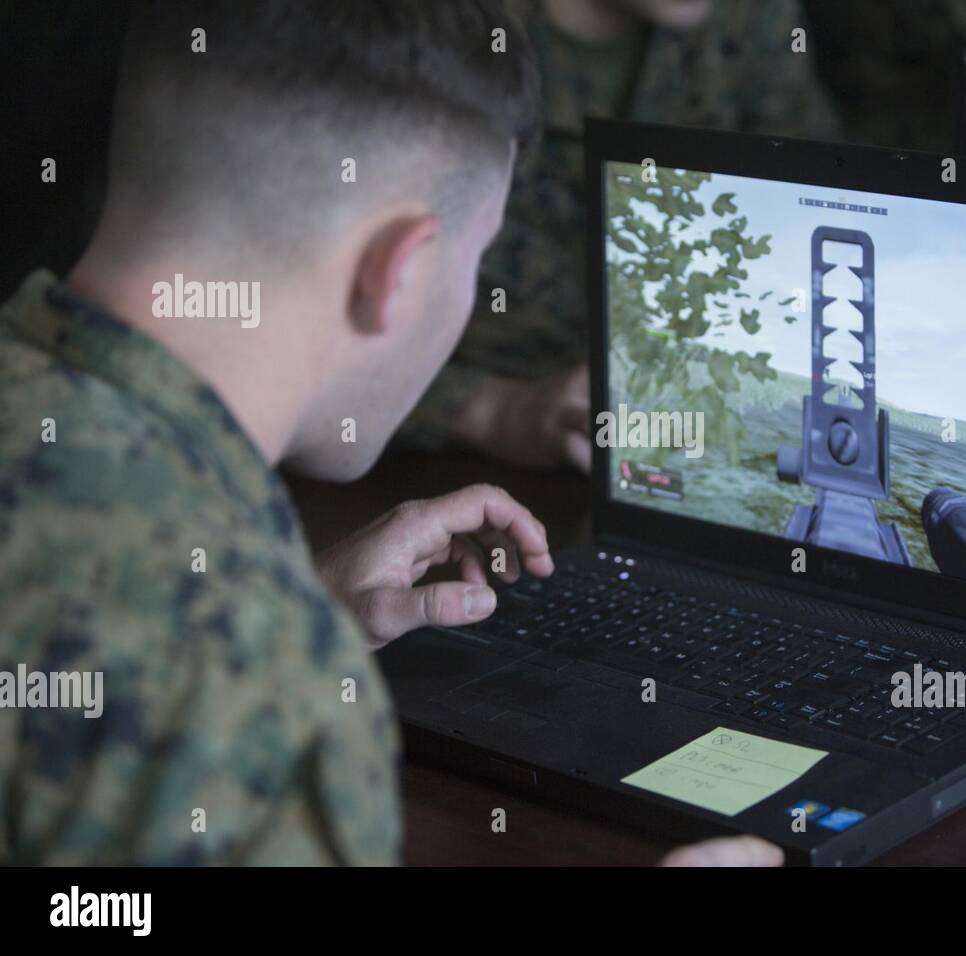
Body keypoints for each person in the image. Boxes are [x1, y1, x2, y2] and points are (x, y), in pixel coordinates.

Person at [0, 0, 778, 867]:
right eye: (473, 261)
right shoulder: (262, 698)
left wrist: (305, 600)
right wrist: (269, 637)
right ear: (399, 269)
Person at [394, 0, 842, 472]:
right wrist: (488, 410)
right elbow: (321, 316)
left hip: (672, 446)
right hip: (438, 459)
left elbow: (810, 202)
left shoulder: (750, 19)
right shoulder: (425, 28)